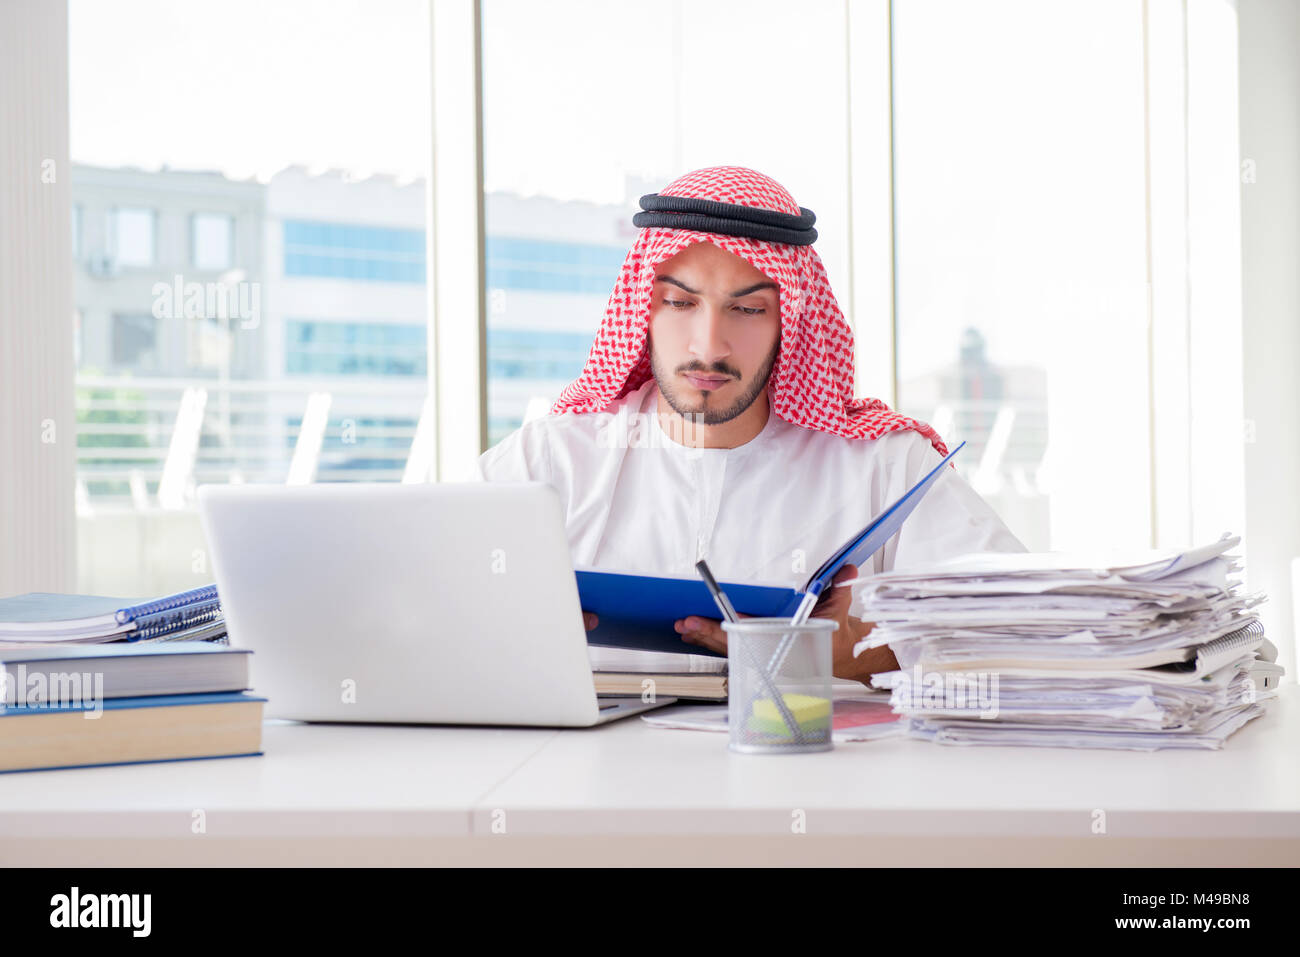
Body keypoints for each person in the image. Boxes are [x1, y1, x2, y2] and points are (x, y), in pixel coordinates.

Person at [476, 166, 1025, 684]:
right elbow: (427, 616)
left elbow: (1024, 638)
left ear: (791, 321)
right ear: (644, 309)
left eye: (748, 309)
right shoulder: (550, 461)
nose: (709, 346)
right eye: (679, 302)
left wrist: (853, 654)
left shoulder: (888, 467)